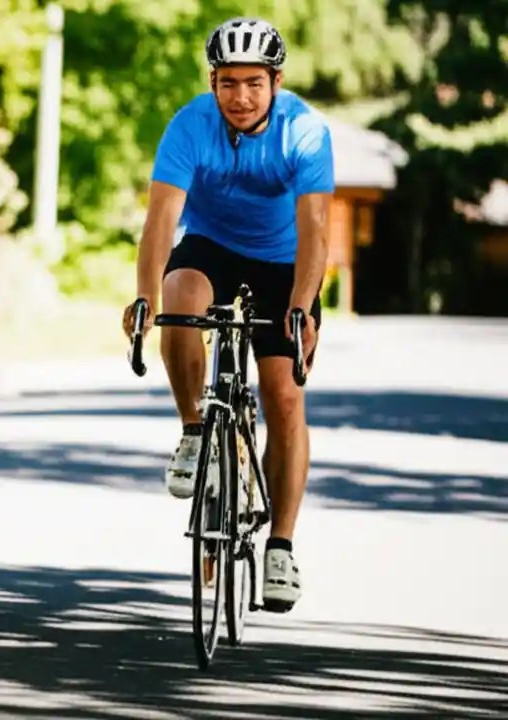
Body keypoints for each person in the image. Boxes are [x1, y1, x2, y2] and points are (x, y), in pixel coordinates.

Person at [121, 17, 333, 612]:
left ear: (275, 82)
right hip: (211, 245)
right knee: (179, 299)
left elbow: (317, 231)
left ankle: (281, 547)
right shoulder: (190, 125)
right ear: (212, 82)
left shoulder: (305, 132)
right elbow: (162, 220)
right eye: (228, 82)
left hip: (284, 259)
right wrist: (144, 299)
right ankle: (194, 431)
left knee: (284, 394)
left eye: (253, 83)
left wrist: (300, 306)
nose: (240, 96)